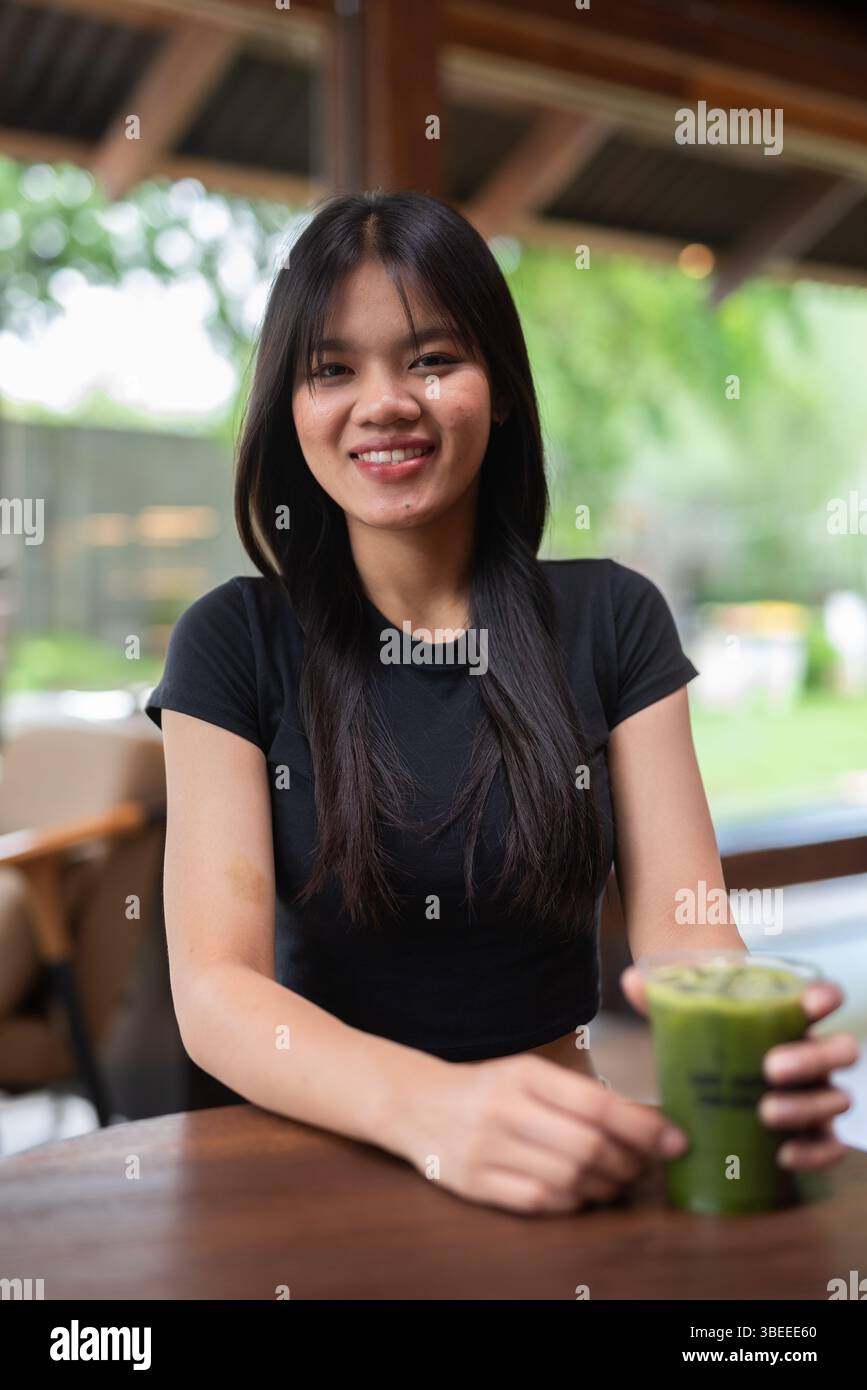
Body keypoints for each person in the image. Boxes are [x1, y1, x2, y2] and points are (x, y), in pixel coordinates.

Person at [145, 190, 857, 1216]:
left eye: (433, 359)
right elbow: (217, 988)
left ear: (503, 388)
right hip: (315, 1169)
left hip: (561, 1165)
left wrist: (744, 1032)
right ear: (289, 407)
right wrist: (434, 1110)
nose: (386, 400)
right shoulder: (231, 641)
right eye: (334, 368)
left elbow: (686, 927)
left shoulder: (616, 617)